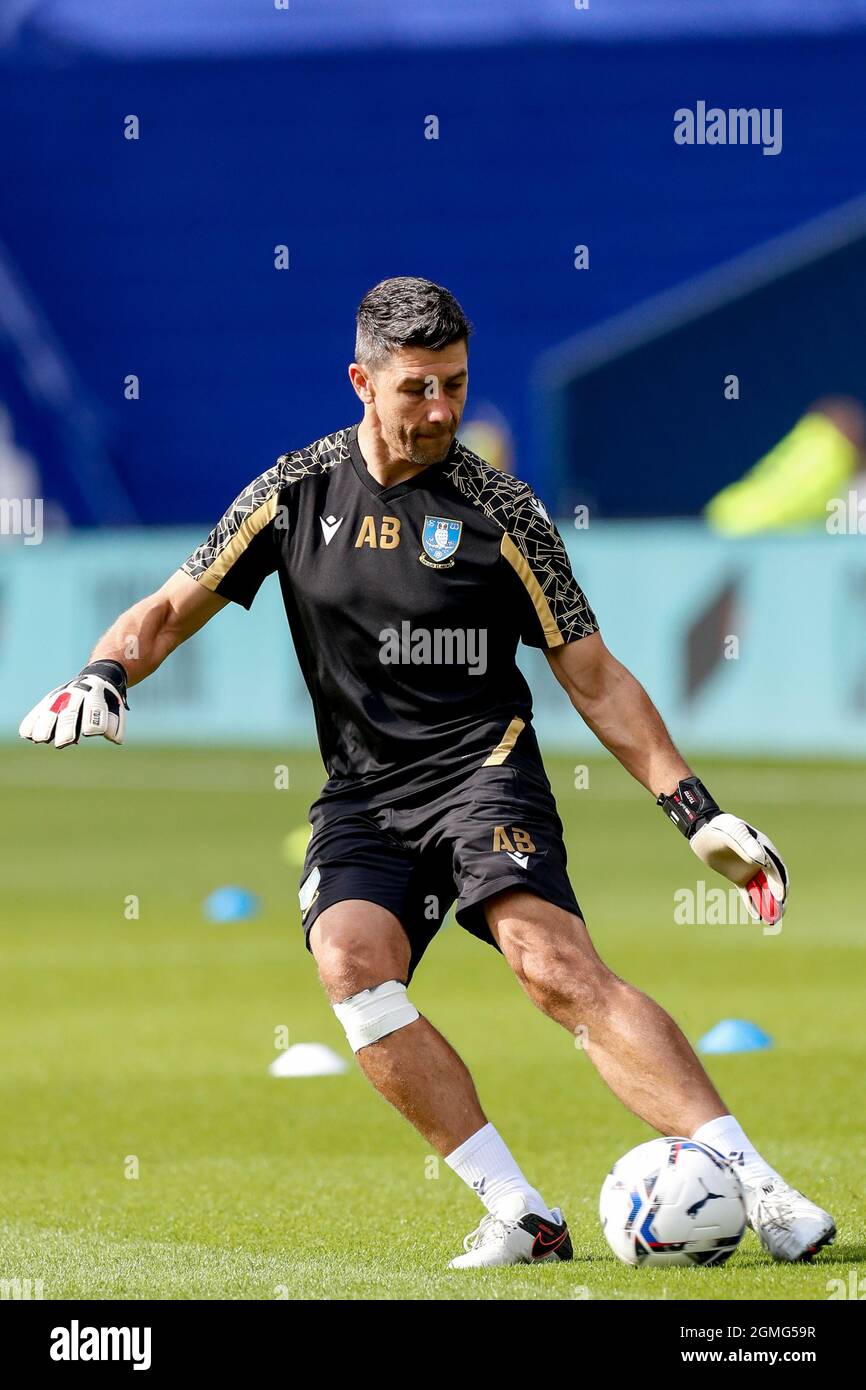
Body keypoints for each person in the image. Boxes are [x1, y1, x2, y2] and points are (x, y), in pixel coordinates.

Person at [19, 276, 835, 1269]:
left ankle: (760, 1186)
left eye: (452, 383)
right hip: (362, 793)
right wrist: (103, 674)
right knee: (351, 967)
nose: (441, 409)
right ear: (361, 381)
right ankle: (520, 1214)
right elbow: (165, 607)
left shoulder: (501, 511)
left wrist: (693, 810)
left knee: (552, 967)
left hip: (480, 771)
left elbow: (592, 674)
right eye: (415, 389)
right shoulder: (293, 492)